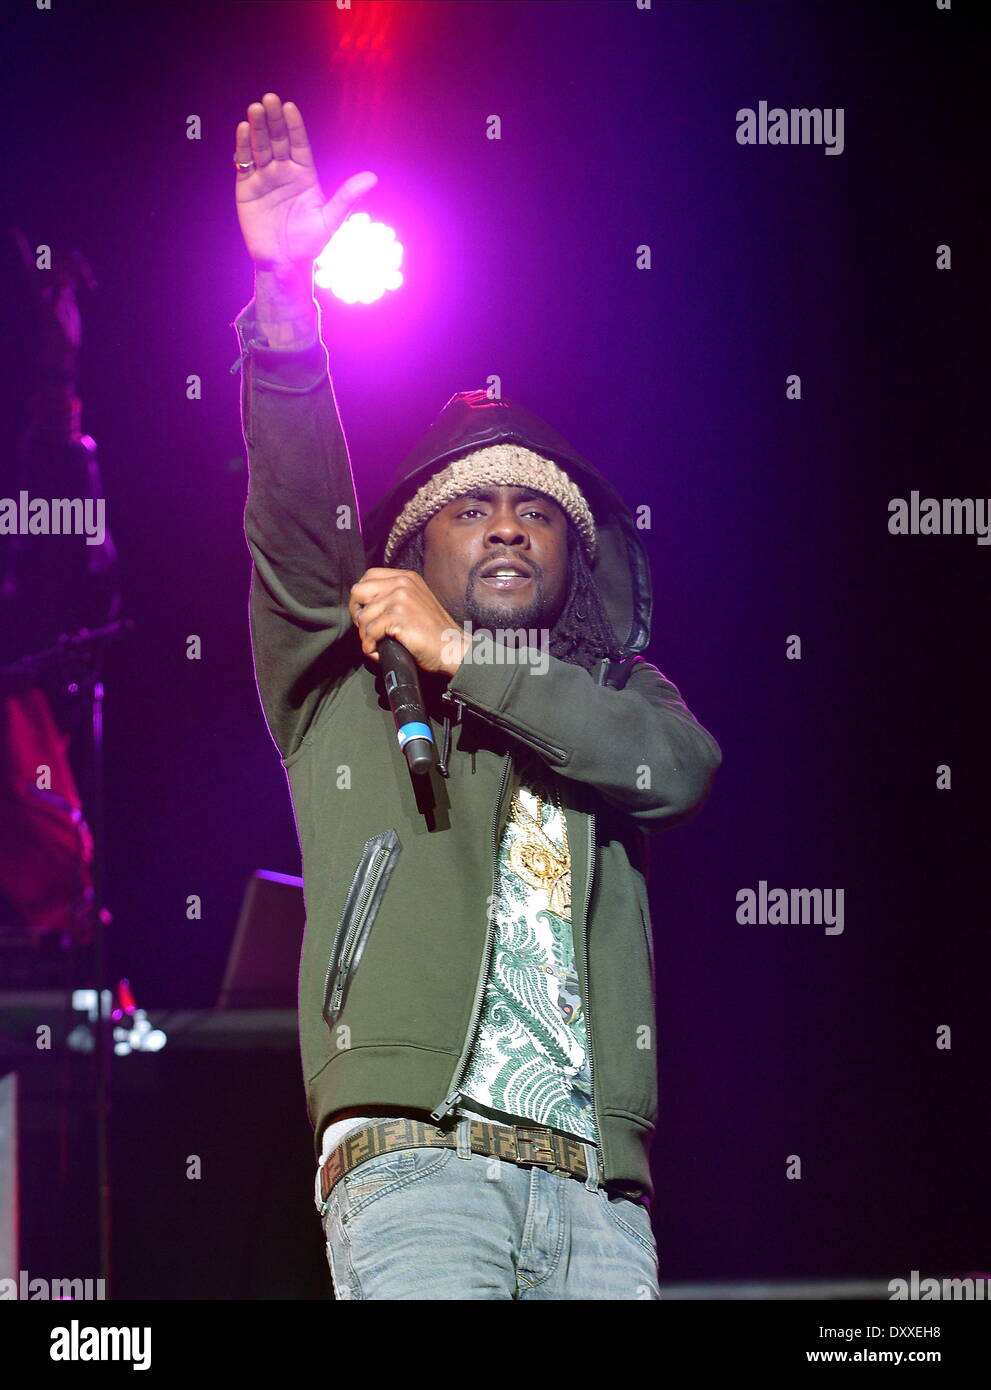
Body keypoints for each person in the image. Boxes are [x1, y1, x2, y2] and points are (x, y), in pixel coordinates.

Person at [231, 92, 722, 1300]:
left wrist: (470, 653)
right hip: (416, 1171)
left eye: (537, 509)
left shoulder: (616, 698)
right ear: (412, 546)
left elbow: (681, 773)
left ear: (574, 555)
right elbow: (296, 518)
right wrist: (287, 309)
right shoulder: (345, 675)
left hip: (601, 1201)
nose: (508, 523)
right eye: (472, 506)